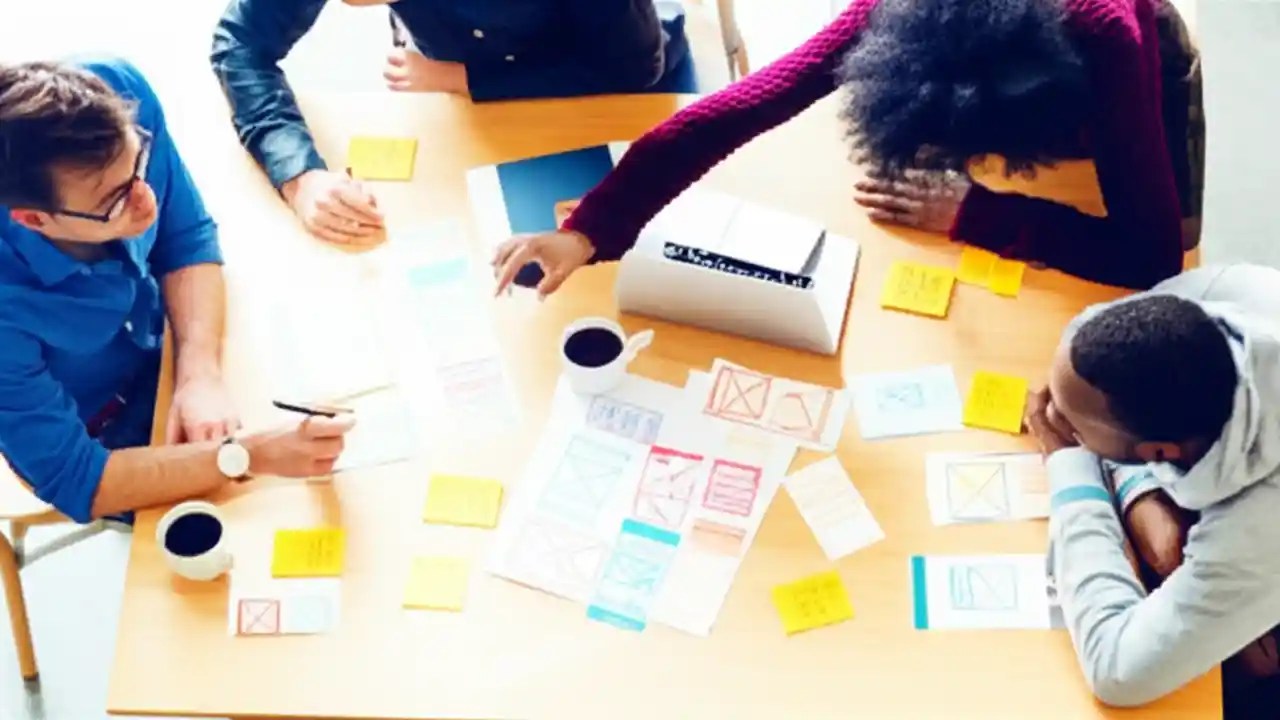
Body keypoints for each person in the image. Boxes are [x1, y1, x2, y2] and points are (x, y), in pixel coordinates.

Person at [492, 0, 1204, 296]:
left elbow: (1150, 256)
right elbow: (738, 110)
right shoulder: (896, 9)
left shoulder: (1109, 32)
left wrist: (975, 215)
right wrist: (589, 229)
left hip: (1136, 84)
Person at [0, 58, 355, 523]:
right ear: (33, 219)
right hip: (111, 432)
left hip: (180, 335)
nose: (144, 198)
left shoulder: (118, 92)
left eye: (138, 165)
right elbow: (80, 479)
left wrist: (198, 372)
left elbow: (185, 238)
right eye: (113, 202)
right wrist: (247, 455)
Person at [211, 0, 698, 247]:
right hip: (469, 101)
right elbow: (240, 43)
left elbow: (631, 66)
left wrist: (465, 77)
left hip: (624, 86)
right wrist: (300, 176)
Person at [1023, 264, 1280, 709]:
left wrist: (1069, 464)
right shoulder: (1220, 292)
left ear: (1160, 451)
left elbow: (1117, 672)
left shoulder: (1260, 525)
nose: (1051, 418)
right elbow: (1088, 333)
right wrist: (1141, 497)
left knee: (1249, 671)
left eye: (1074, 428)